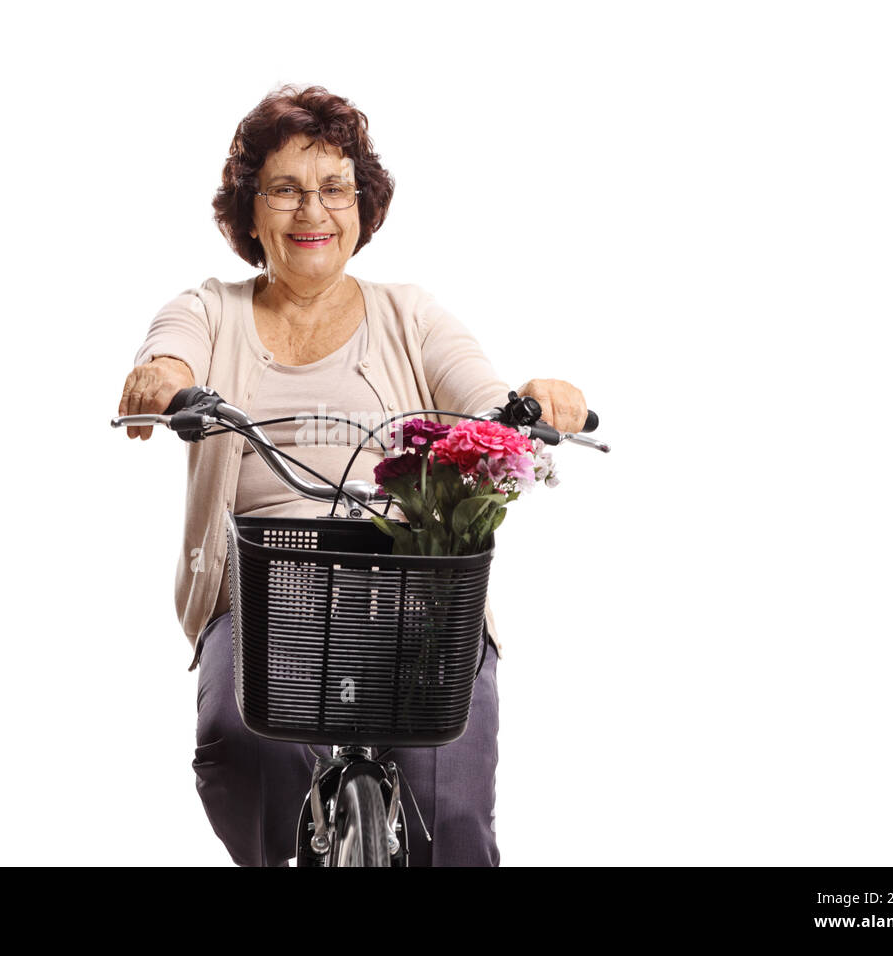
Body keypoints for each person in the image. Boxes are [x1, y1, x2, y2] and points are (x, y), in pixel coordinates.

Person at [117, 85, 587, 866]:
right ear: (250, 210)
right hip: (267, 591)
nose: (313, 212)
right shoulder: (212, 308)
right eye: (286, 190)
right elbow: (171, 350)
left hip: (418, 587)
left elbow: (480, 391)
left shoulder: (411, 314)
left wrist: (534, 402)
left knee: (452, 811)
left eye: (335, 188)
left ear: (362, 206)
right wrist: (161, 378)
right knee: (241, 747)